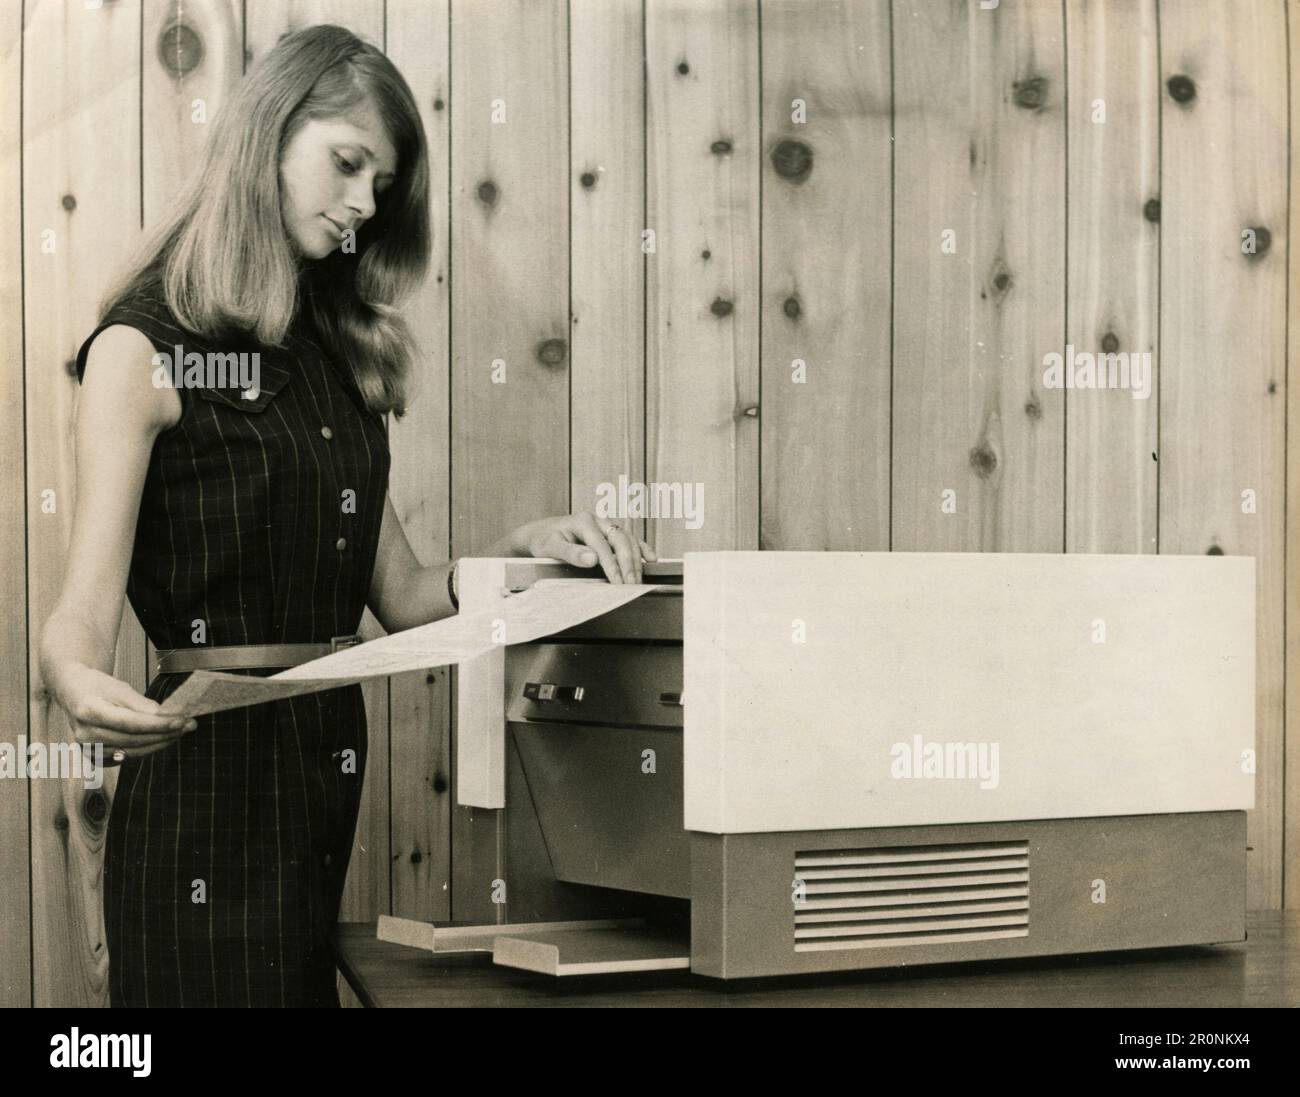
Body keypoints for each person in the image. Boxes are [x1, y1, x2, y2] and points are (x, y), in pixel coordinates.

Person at [39, 24, 654, 1008]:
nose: (365, 201)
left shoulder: (339, 352)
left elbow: (407, 598)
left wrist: (524, 553)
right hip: (201, 777)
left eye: (383, 181)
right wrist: (71, 675)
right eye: (348, 162)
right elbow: (81, 608)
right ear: (268, 135)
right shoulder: (140, 347)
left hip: (321, 766)